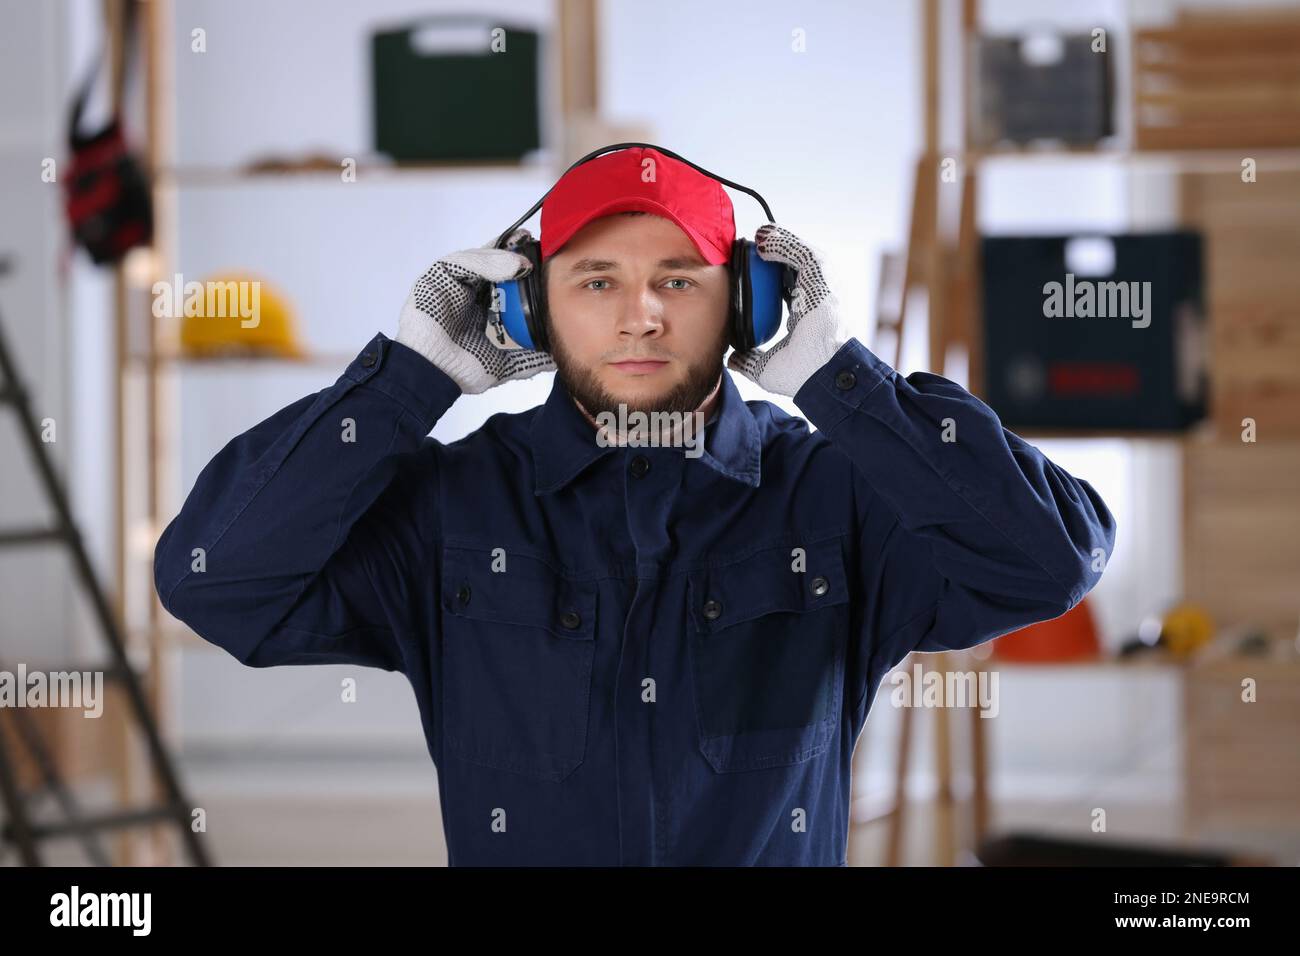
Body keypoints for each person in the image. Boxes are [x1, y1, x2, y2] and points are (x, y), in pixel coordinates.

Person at [155, 145, 1116, 866]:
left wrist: (840, 381)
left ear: (746, 303)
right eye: (597, 280)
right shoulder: (455, 505)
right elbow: (217, 579)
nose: (639, 315)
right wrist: (407, 382)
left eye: (678, 280)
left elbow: (1049, 559)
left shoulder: (836, 495)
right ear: (531, 310)